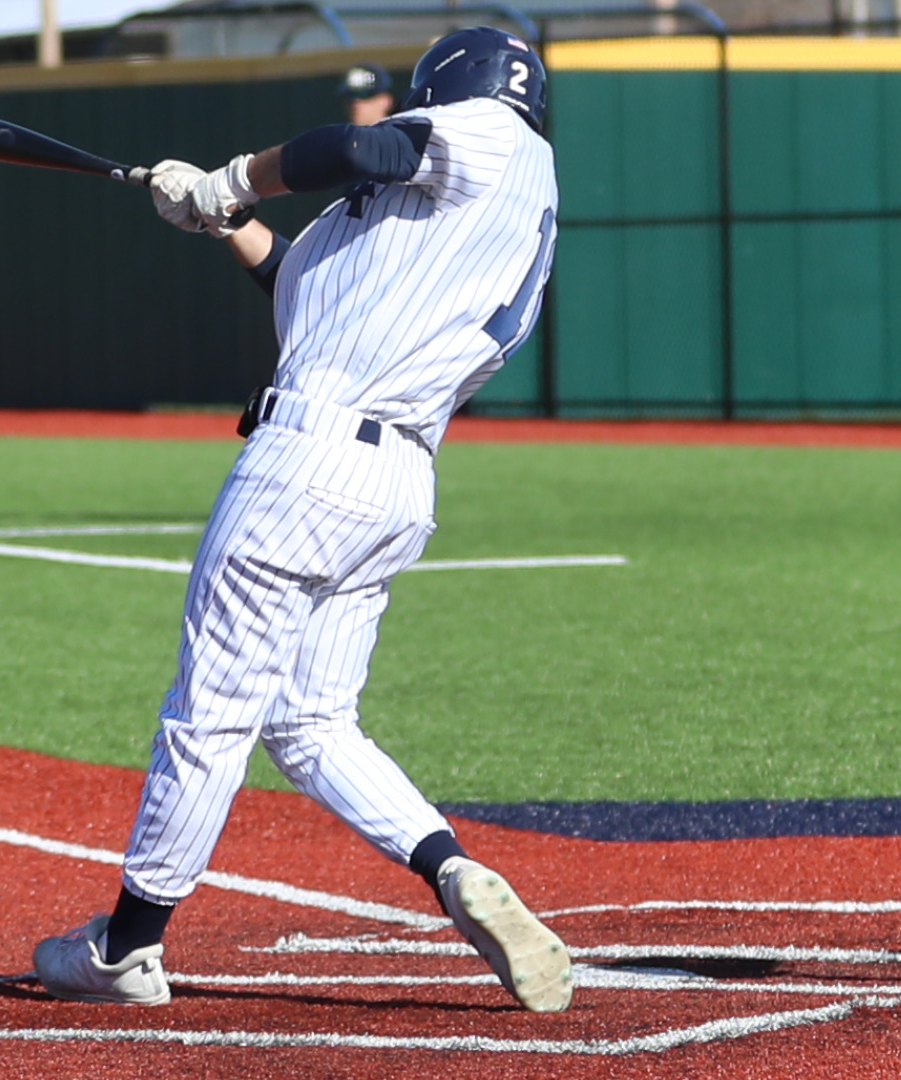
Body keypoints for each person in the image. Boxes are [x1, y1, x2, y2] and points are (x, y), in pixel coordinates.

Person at [29, 27, 570, 1013]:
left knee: (210, 715)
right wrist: (214, 214)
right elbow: (299, 281)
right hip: (395, 483)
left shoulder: (490, 137)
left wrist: (235, 176)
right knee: (311, 723)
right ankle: (450, 868)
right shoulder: (457, 217)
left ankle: (125, 949)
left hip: (306, 464)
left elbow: (361, 147)